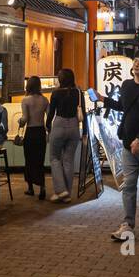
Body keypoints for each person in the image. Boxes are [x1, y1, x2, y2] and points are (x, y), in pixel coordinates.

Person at [97, 49, 139, 241]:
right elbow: (123, 106)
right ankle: (127, 224)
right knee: (128, 185)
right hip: (127, 146)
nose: (136, 64)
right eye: (135, 61)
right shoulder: (126, 85)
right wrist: (103, 100)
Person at [45, 67, 84, 202]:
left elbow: (51, 113)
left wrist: (48, 125)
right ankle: (67, 193)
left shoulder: (56, 93)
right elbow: (82, 112)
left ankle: (60, 190)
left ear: (60, 80)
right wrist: (84, 131)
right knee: (68, 160)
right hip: (74, 126)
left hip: (59, 125)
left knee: (55, 158)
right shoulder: (78, 92)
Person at [20, 76, 49, 198]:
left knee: (29, 160)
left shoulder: (25, 100)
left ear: (28, 86)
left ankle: (30, 188)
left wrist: (20, 121)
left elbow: (25, 119)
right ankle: (42, 188)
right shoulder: (45, 100)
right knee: (39, 160)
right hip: (41, 132)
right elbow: (49, 118)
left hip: (31, 132)